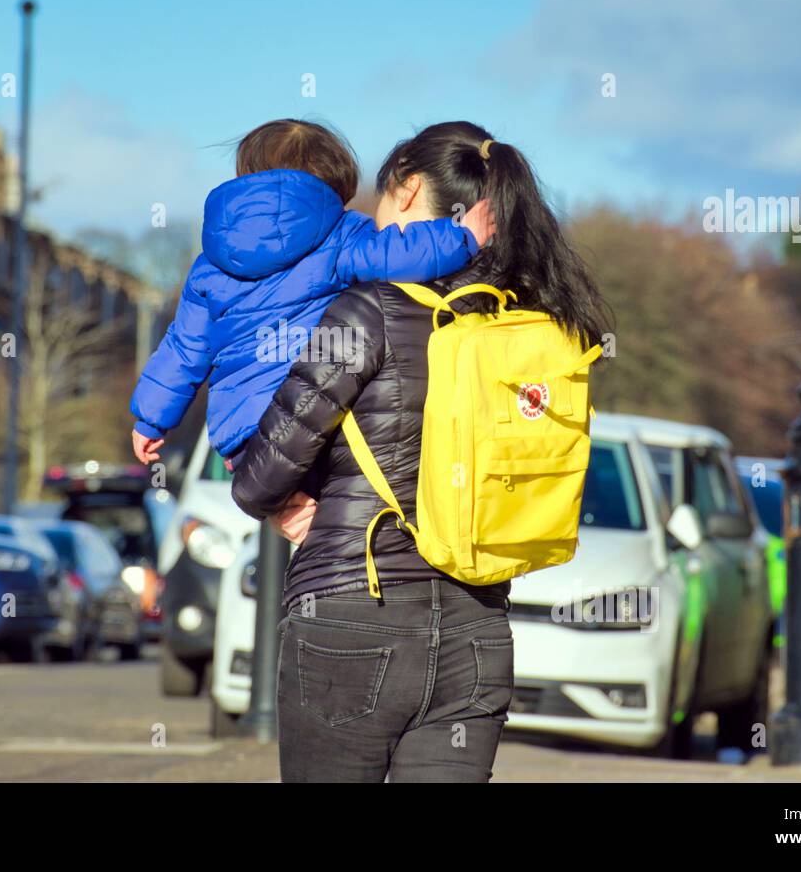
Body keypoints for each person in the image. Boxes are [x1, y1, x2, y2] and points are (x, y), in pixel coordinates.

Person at [231, 121, 610, 782]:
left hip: (351, 616)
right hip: (479, 630)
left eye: (380, 196)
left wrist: (279, 495)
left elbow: (260, 476)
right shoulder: (529, 323)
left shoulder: (365, 308)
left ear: (407, 189)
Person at [128, 118, 493, 471]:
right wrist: (463, 235)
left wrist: (150, 420)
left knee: (291, 514)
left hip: (242, 434)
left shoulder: (209, 265)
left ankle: (288, 505)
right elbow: (398, 253)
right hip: (315, 418)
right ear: (333, 180)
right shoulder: (340, 235)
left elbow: (183, 349)